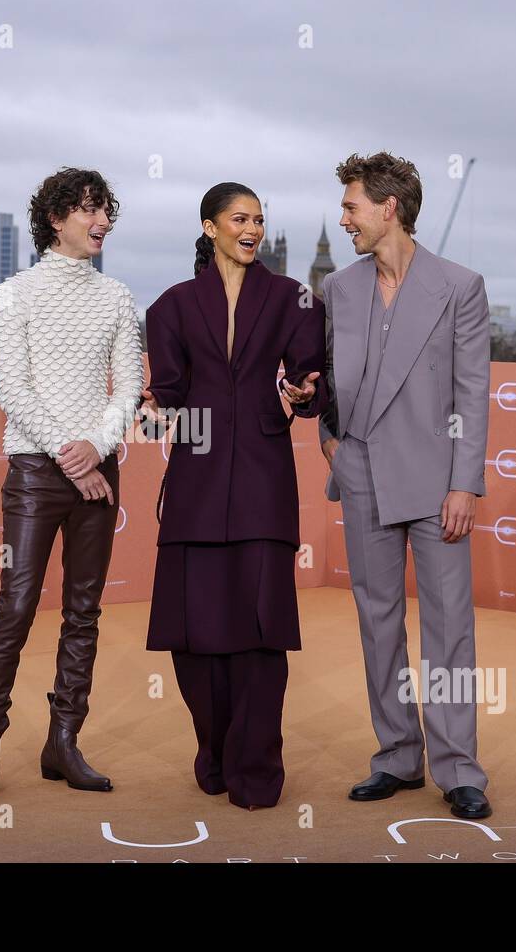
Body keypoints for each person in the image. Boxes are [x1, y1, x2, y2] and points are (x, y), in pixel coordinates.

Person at [0, 167, 144, 807]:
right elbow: (14, 392)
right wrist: (75, 458)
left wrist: (98, 449)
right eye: (90, 210)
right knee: (17, 606)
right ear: (57, 217)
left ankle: (63, 742)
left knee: (84, 612)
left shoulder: (117, 297)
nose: (103, 223)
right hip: (38, 476)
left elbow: (128, 391)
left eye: (106, 211)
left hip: (98, 470)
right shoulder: (13, 297)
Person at [316, 152, 493, 819]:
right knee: (377, 620)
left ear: (389, 207)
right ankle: (396, 755)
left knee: (449, 629)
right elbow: (321, 380)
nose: (344, 219)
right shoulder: (338, 291)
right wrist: (328, 440)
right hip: (361, 474)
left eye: (352, 205)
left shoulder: (459, 286)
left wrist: (464, 484)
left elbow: (473, 393)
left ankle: (458, 768)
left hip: (436, 480)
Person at [141, 182, 328, 810]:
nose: (251, 228)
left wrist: (303, 394)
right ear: (209, 227)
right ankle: (215, 749)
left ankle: (256, 767)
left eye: (258, 219)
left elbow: (310, 376)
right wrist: (146, 408)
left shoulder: (292, 298)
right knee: (193, 637)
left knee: (259, 634)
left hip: (262, 484)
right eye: (239, 218)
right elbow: (165, 393)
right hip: (194, 485)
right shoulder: (169, 307)